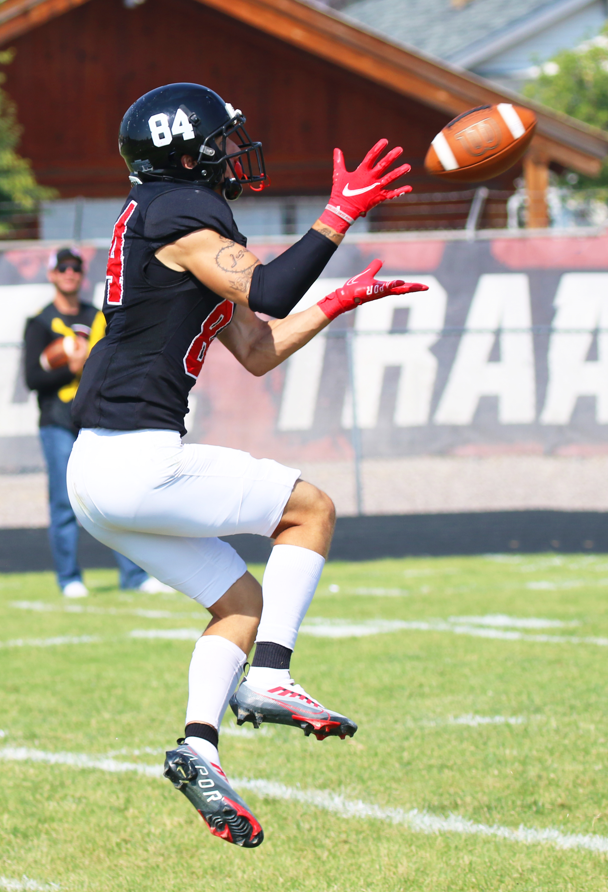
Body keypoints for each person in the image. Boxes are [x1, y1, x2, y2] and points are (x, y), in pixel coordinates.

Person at [66, 83, 426, 846]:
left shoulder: (165, 221)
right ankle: (270, 677)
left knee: (239, 602)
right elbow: (270, 287)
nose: (232, 154)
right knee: (311, 510)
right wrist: (340, 213)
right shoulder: (178, 212)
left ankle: (199, 745)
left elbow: (258, 347)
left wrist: (340, 300)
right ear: (183, 155)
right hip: (136, 459)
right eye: (219, 143)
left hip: (98, 473)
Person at [24, 247, 168, 596]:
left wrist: (91, 365)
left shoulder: (97, 316)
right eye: (63, 268)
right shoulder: (40, 322)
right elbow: (32, 378)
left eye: (75, 267)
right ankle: (69, 578)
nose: (69, 273)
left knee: (118, 496)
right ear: (52, 274)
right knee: (64, 502)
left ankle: (134, 575)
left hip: (98, 419)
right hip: (58, 420)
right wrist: (69, 369)